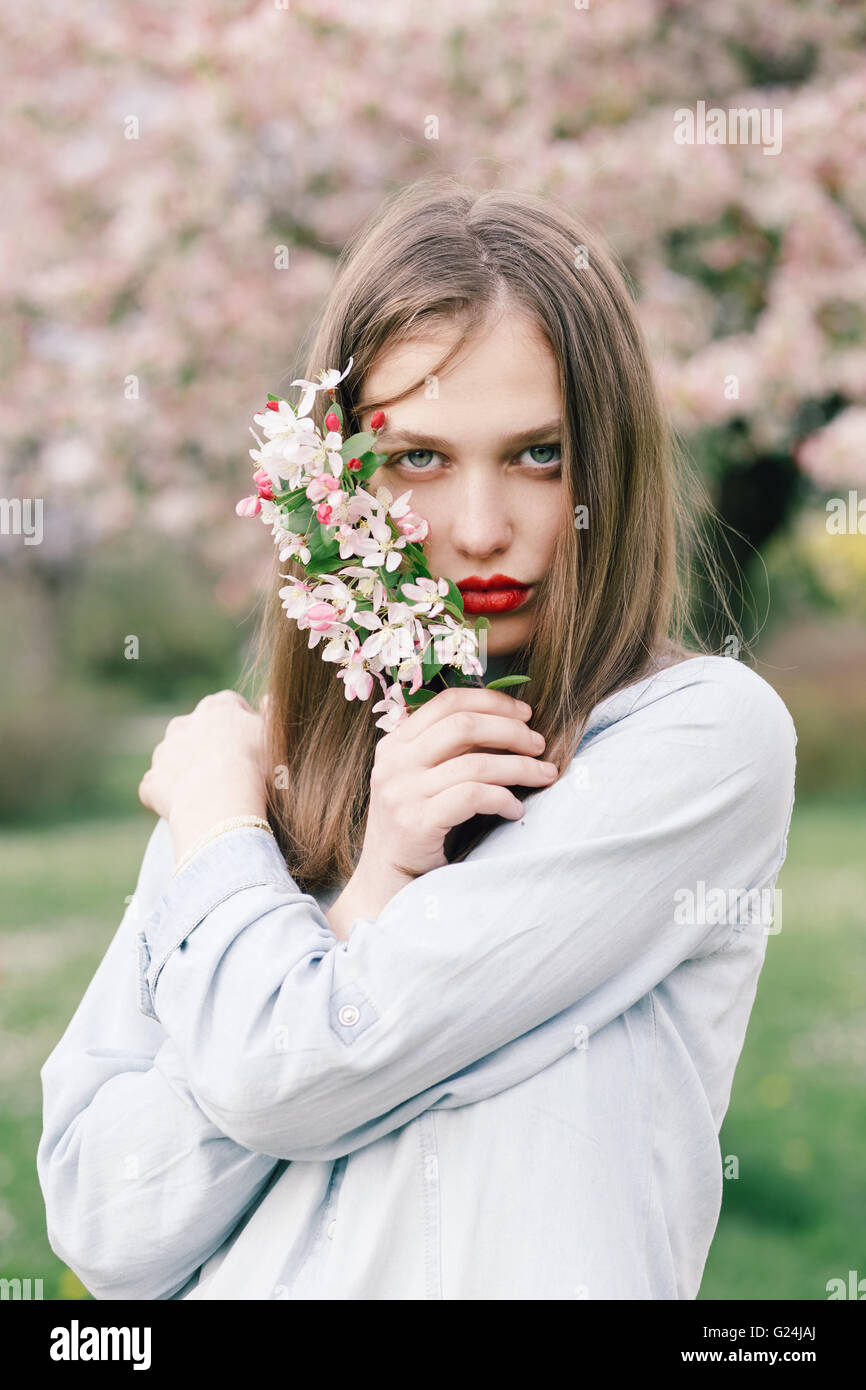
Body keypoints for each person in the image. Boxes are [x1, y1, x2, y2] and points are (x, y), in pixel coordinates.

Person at [37, 178, 797, 1300]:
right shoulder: (260, 784)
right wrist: (358, 899)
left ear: (612, 465)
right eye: (419, 459)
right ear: (335, 479)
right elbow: (104, 1222)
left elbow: (290, 1075)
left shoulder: (694, 742)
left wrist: (229, 859)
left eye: (540, 455)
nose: (482, 529)